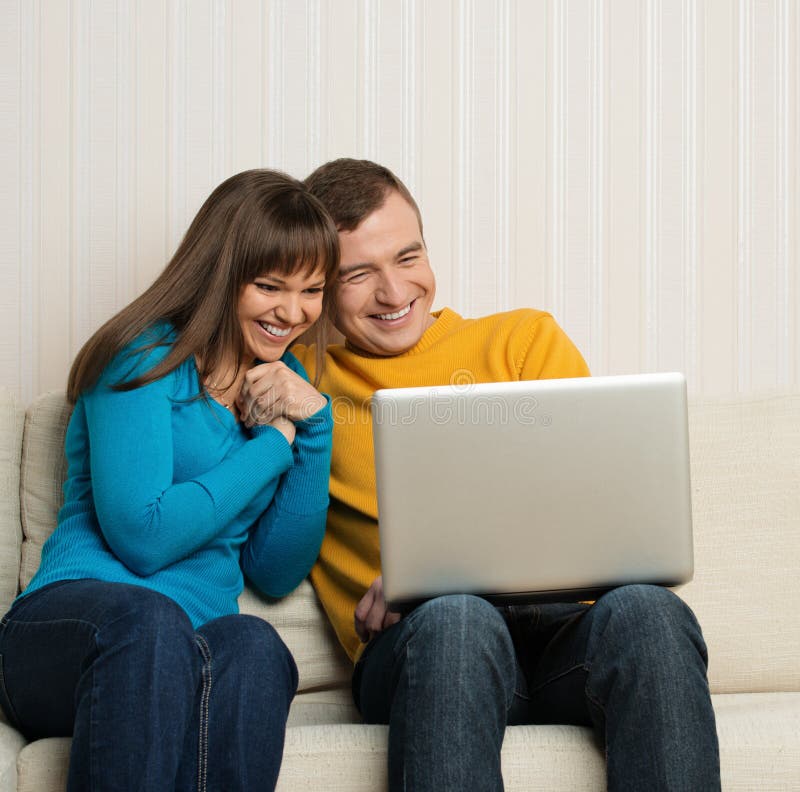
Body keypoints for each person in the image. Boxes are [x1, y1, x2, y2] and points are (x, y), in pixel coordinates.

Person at [255, 158, 721, 791]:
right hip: (424, 647)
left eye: (408, 257)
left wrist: (435, 568)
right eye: (358, 274)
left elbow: (597, 504)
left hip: (560, 636)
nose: (394, 293)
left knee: (650, 611)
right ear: (317, 290)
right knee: (454, 617)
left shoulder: (522, 342)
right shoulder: (302, 386)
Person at [0, 169, 338, 791]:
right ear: (221, 273)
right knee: (151, 623)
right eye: (269, 286)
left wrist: (315, 426)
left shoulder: (283, 387)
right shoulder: (142, 358)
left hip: (186, 646)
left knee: (257, 647)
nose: (293, 313)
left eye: (312, 291)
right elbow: (144, 536)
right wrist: (273, 446)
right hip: (69, 633)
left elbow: (274, 570)